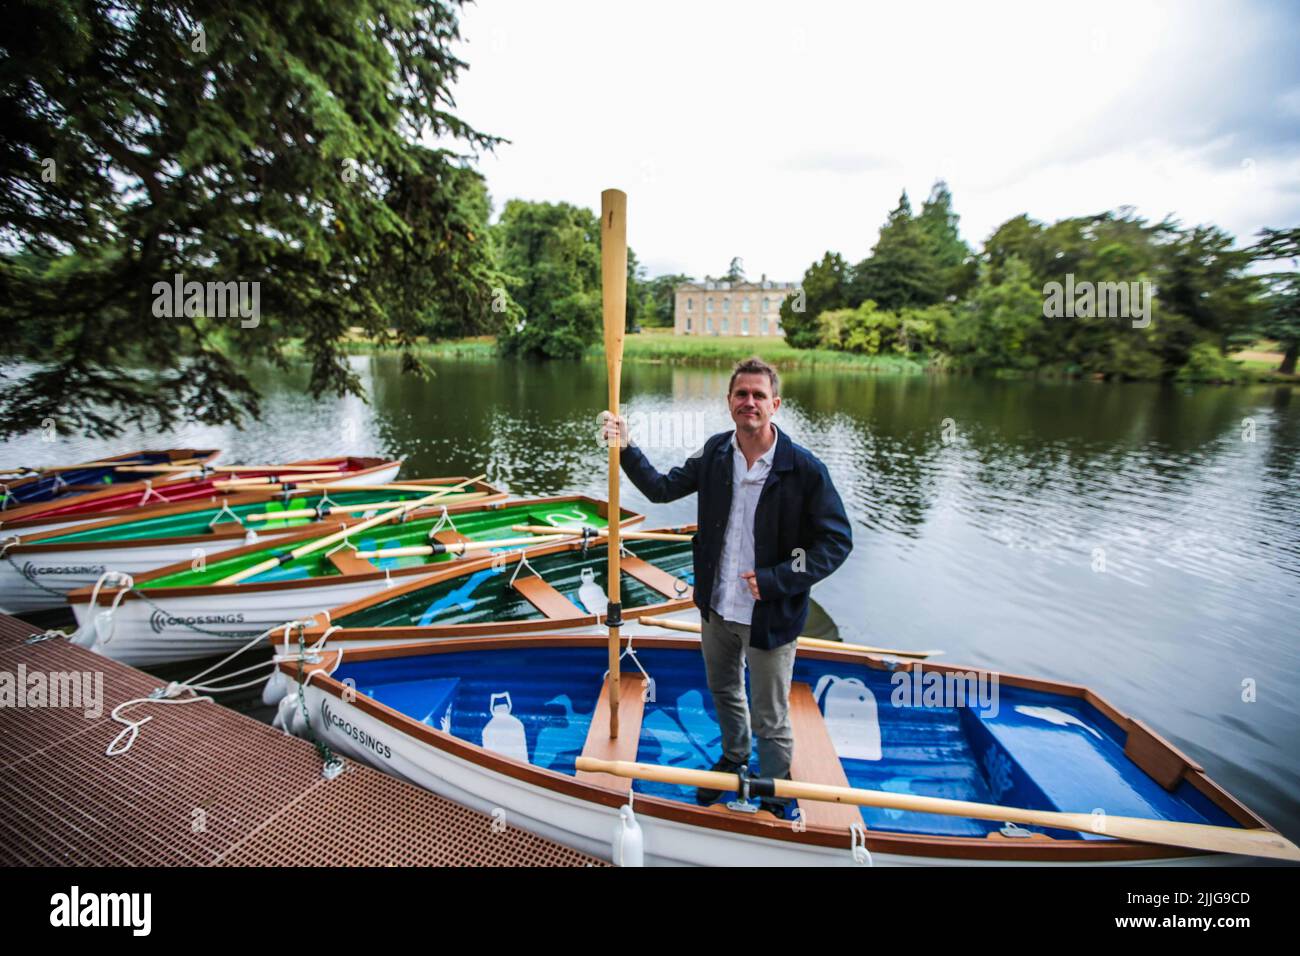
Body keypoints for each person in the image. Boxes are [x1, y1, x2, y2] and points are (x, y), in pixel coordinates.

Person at [601, 356, 852, 815]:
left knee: (770, 715)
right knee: (724, 692)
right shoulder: (717, 453)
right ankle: (735, 760)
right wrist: (625, 446)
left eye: (759, 395)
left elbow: (836, 542)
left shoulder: (804, 469)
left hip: (770, 616)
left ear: (775, 404)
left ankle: (776, 788)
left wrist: (777, 580)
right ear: (729, 403)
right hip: (716, 608)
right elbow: (660, 489)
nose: (750, 402)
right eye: (742, 394)